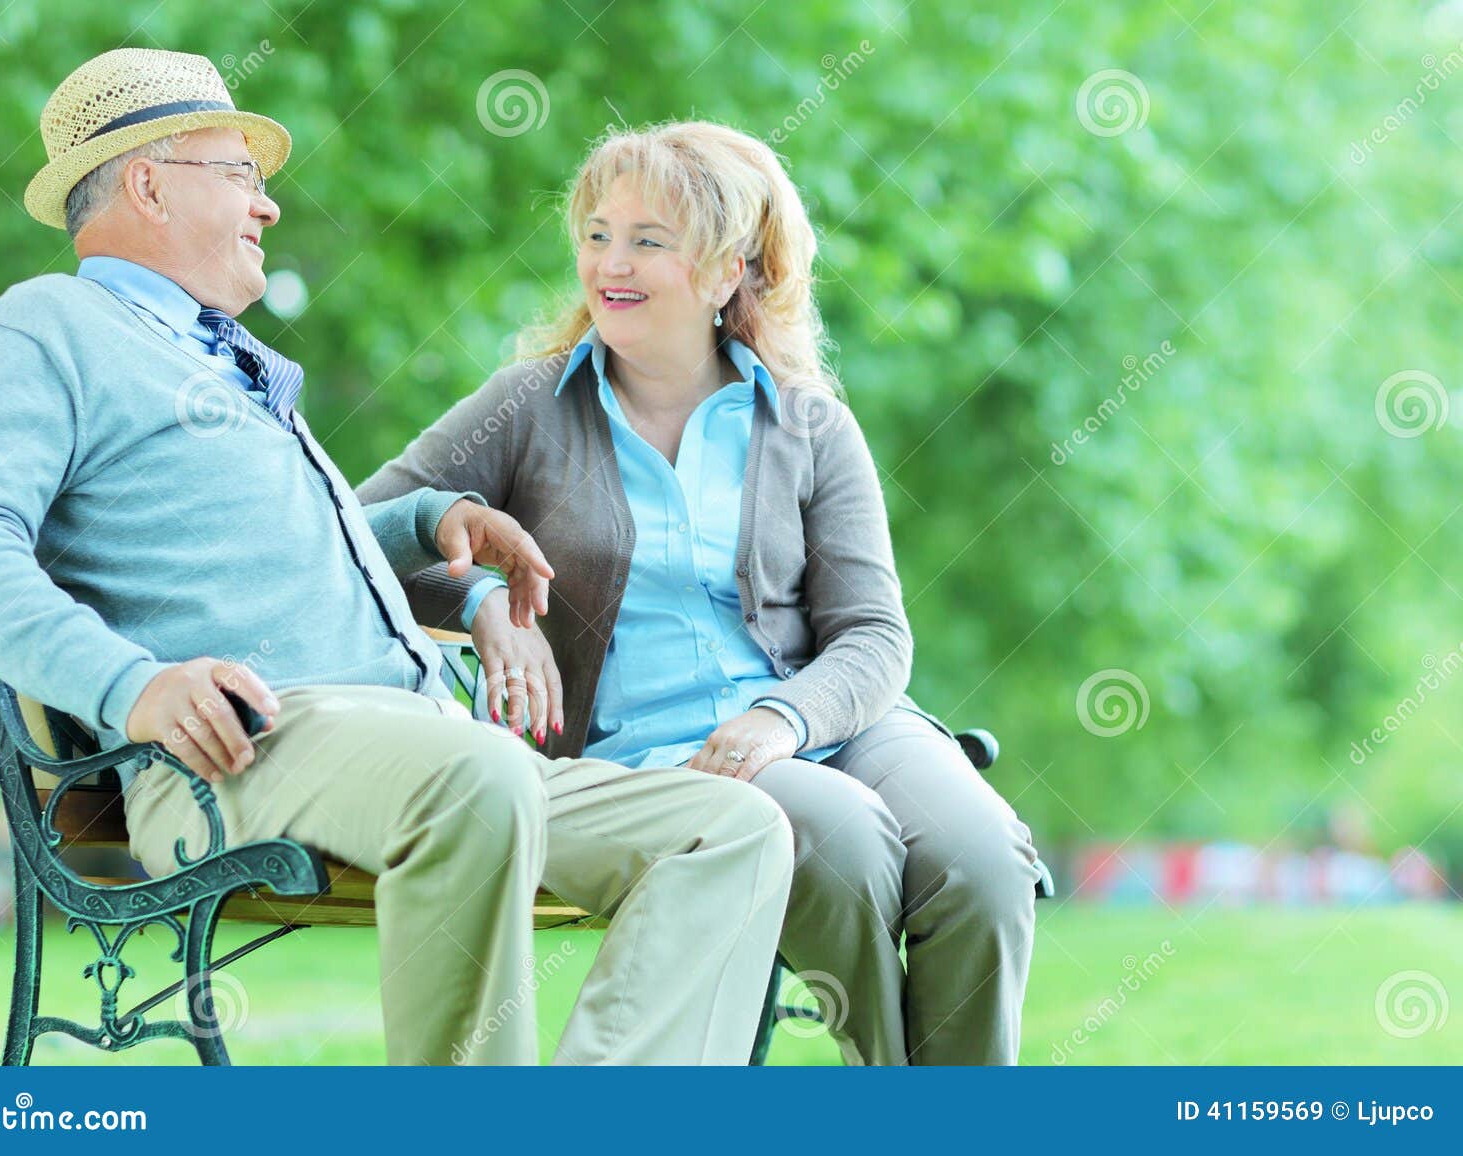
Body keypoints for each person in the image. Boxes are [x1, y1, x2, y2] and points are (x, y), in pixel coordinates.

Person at [0, 54, 793, 1065]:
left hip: (413, 742)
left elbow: (276, 563)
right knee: (481, 775)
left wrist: (424, 521)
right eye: (240, 175)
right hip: (235, 753)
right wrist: (135, 685)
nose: (267, 208)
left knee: (732, 828)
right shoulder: (46, 327)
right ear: (147, 184)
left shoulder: (220, 361)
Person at [358, 121, 1042, 1065]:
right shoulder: (529, 404)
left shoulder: (809, 424)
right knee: (838, 837)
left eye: (649, 239)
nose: (611, 262)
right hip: (650, 756)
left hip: (822, 724)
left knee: (984, 860)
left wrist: (779, 718)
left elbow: (874, 636)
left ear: (729, 272)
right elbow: (359, 536)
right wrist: (479, 604)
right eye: (598, 234)